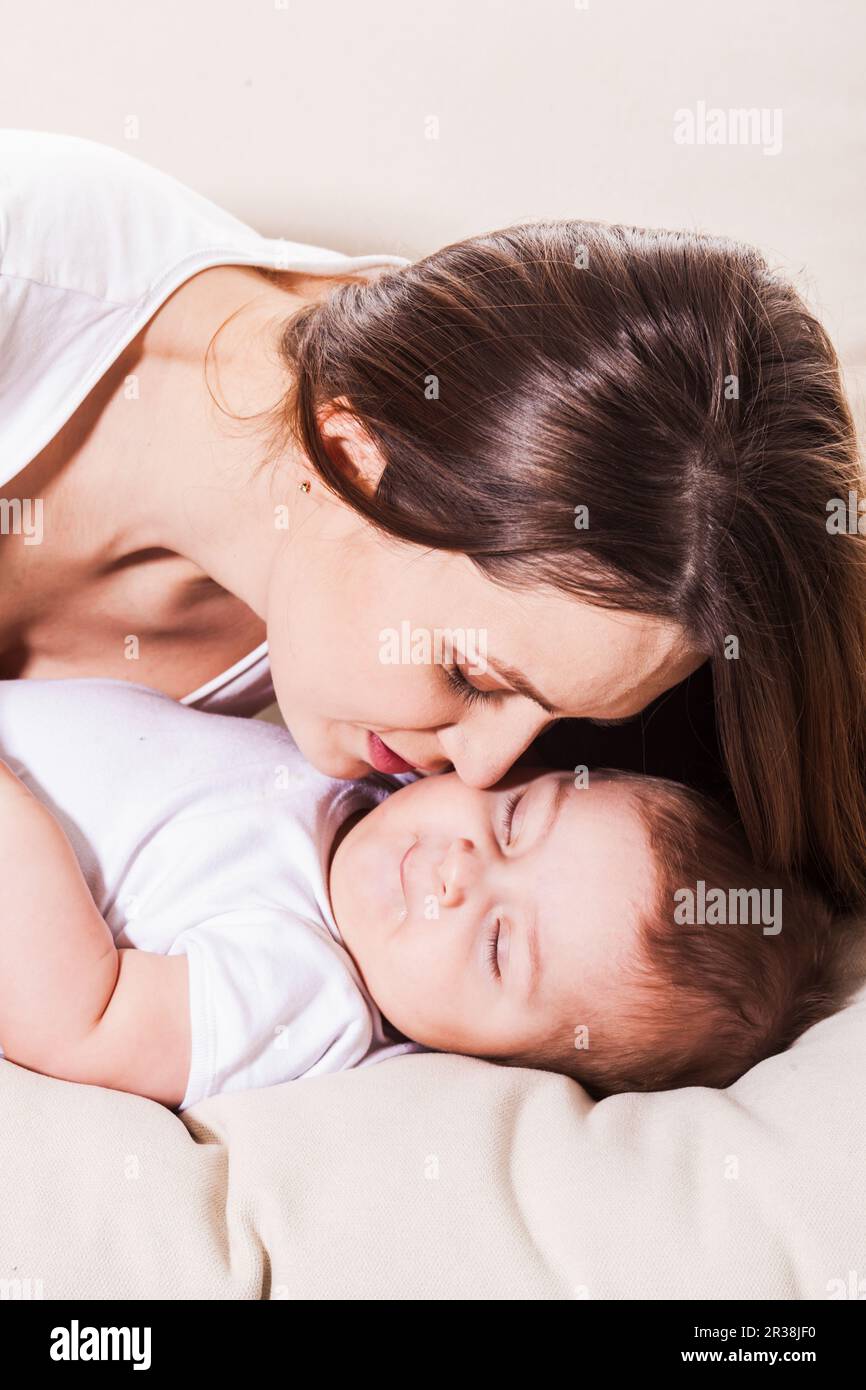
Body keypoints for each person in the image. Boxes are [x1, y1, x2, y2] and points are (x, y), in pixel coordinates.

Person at [2, 131, 864, 905]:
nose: (487, 771)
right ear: (348, 458)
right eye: (471, 678)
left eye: (562, 725)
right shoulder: (28, 272)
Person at [0, 678, 848, 1110]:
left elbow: (84, 1016)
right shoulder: (368, 779)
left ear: (485, 1062)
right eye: (515, 821)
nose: (459, 869)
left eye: (498, 945)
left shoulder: (303, 990)